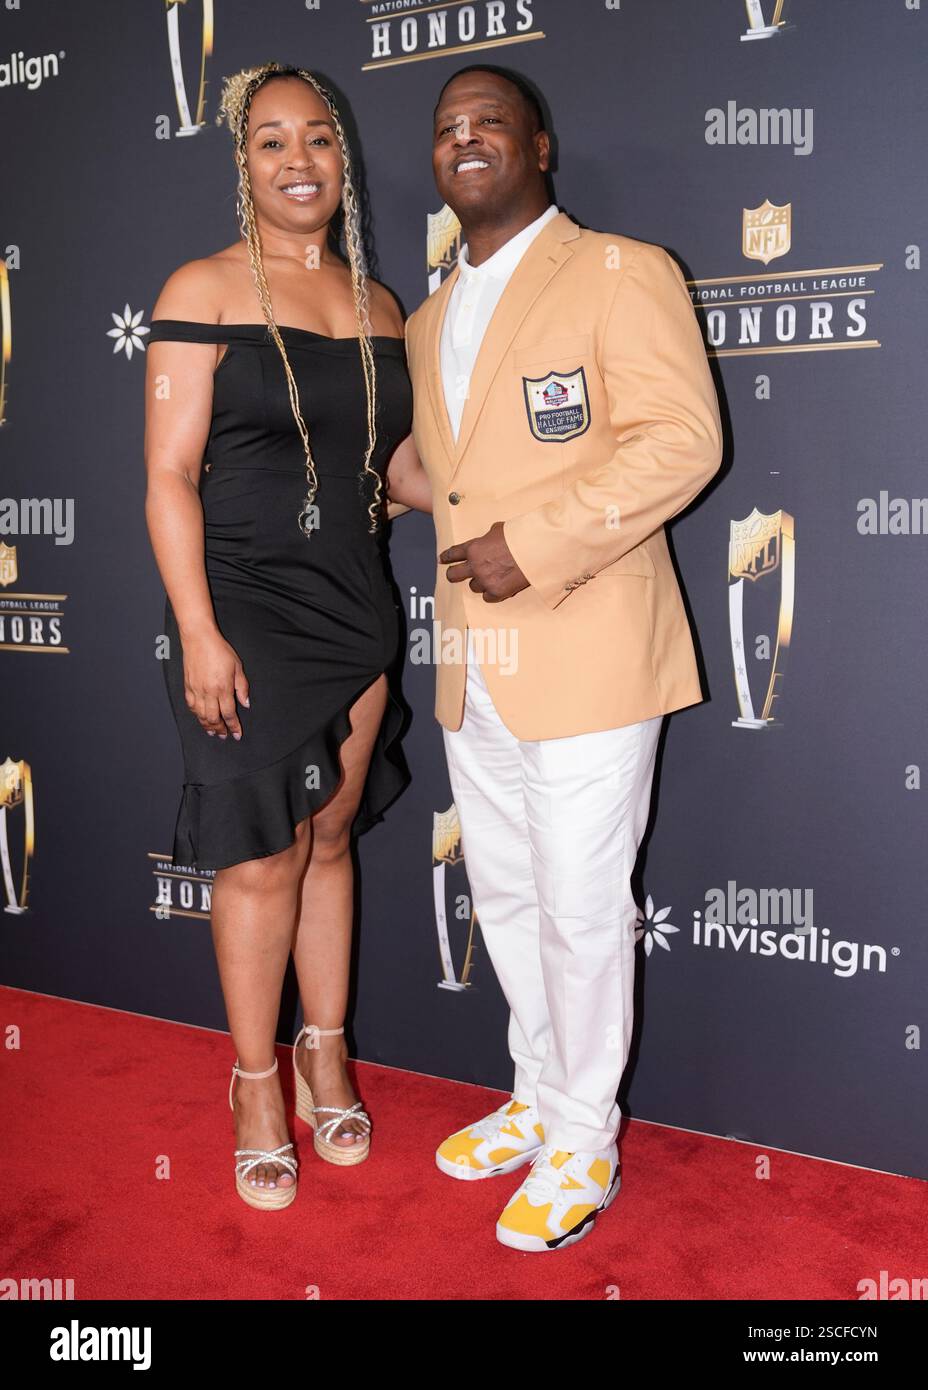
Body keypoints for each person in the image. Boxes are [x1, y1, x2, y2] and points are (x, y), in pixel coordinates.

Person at [403, 65, 723, 1251]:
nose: (465, 138)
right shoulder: (427, 316)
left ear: (539, 145)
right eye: (446, 129)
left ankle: (584, 1140)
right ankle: (537, 1097)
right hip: (472, 661)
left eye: (489, 121)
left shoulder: (616, 270)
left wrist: (528, 544)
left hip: (586, 640)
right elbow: (463, 471)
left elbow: (680, 441)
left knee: (584, 907)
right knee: (510, 894)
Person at [144, 63, 431, 1210]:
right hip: (242, 604)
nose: (298, 159)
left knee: (328, 839)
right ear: (243, 164)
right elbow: (167, 476)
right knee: (260, 851)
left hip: (354, 600)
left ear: (342, 161)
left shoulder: (379, 307)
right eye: (271, 141)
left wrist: (500, 497)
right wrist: (199, 629)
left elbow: (394, 471)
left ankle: (326, 1049)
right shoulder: (203, 287)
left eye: (317, 138)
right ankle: (256, 1081)